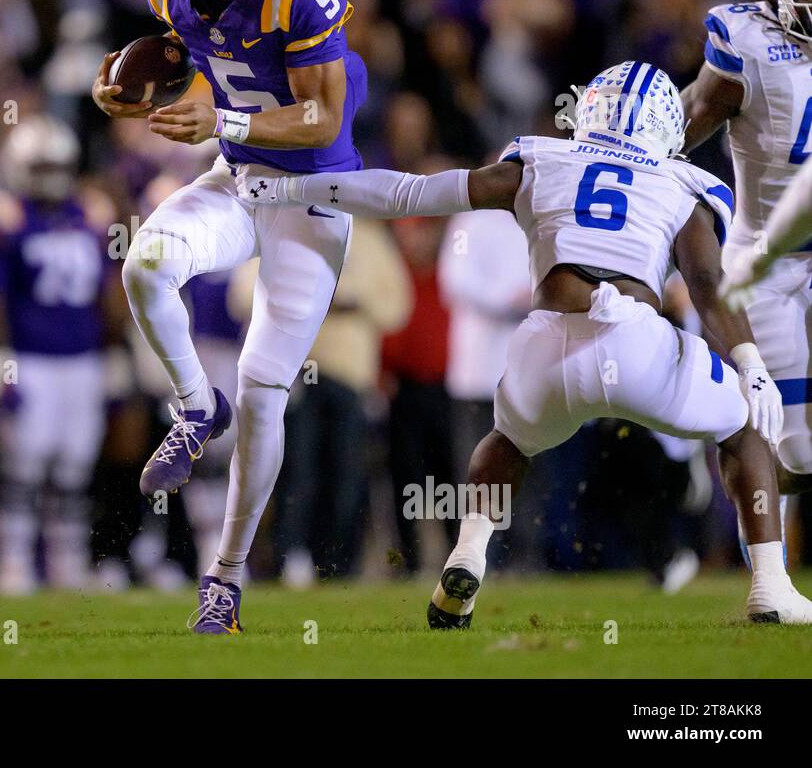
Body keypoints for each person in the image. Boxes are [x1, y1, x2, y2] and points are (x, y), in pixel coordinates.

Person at [239, 61, 812, 625]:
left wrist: (294, 187)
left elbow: (409, 194)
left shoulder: (542, 158)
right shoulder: (683, 183)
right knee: (744, 429)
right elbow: (708, 287)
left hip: (546, 345)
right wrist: (750, 361)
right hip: (636, 340)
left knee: (506, 441)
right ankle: (770, 586)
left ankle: (467, 554)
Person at [92, 0, 367, 633]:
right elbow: (190, 48)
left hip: (312, 193)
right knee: (145, 264)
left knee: (261, 388)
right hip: (238, 179)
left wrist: (224, 115)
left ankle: (226, 576)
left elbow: (322, 113)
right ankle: (189, 406)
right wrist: (135, 78)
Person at [680, 0, 812, 500]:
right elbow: (681, 125)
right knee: (789, 450)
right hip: (766, 265)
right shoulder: (753, 49)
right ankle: (770, 579)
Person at [0, 116, 111, 593]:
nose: (52, 174)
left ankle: (66, 562)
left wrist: (118, 352)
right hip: (30, 359)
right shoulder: (9, 221)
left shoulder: (89, 215)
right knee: (23, 465)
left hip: (83, 358)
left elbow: (109, 291)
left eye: (58, 164)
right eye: (41, 165)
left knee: (74, 465)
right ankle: (12, 563)